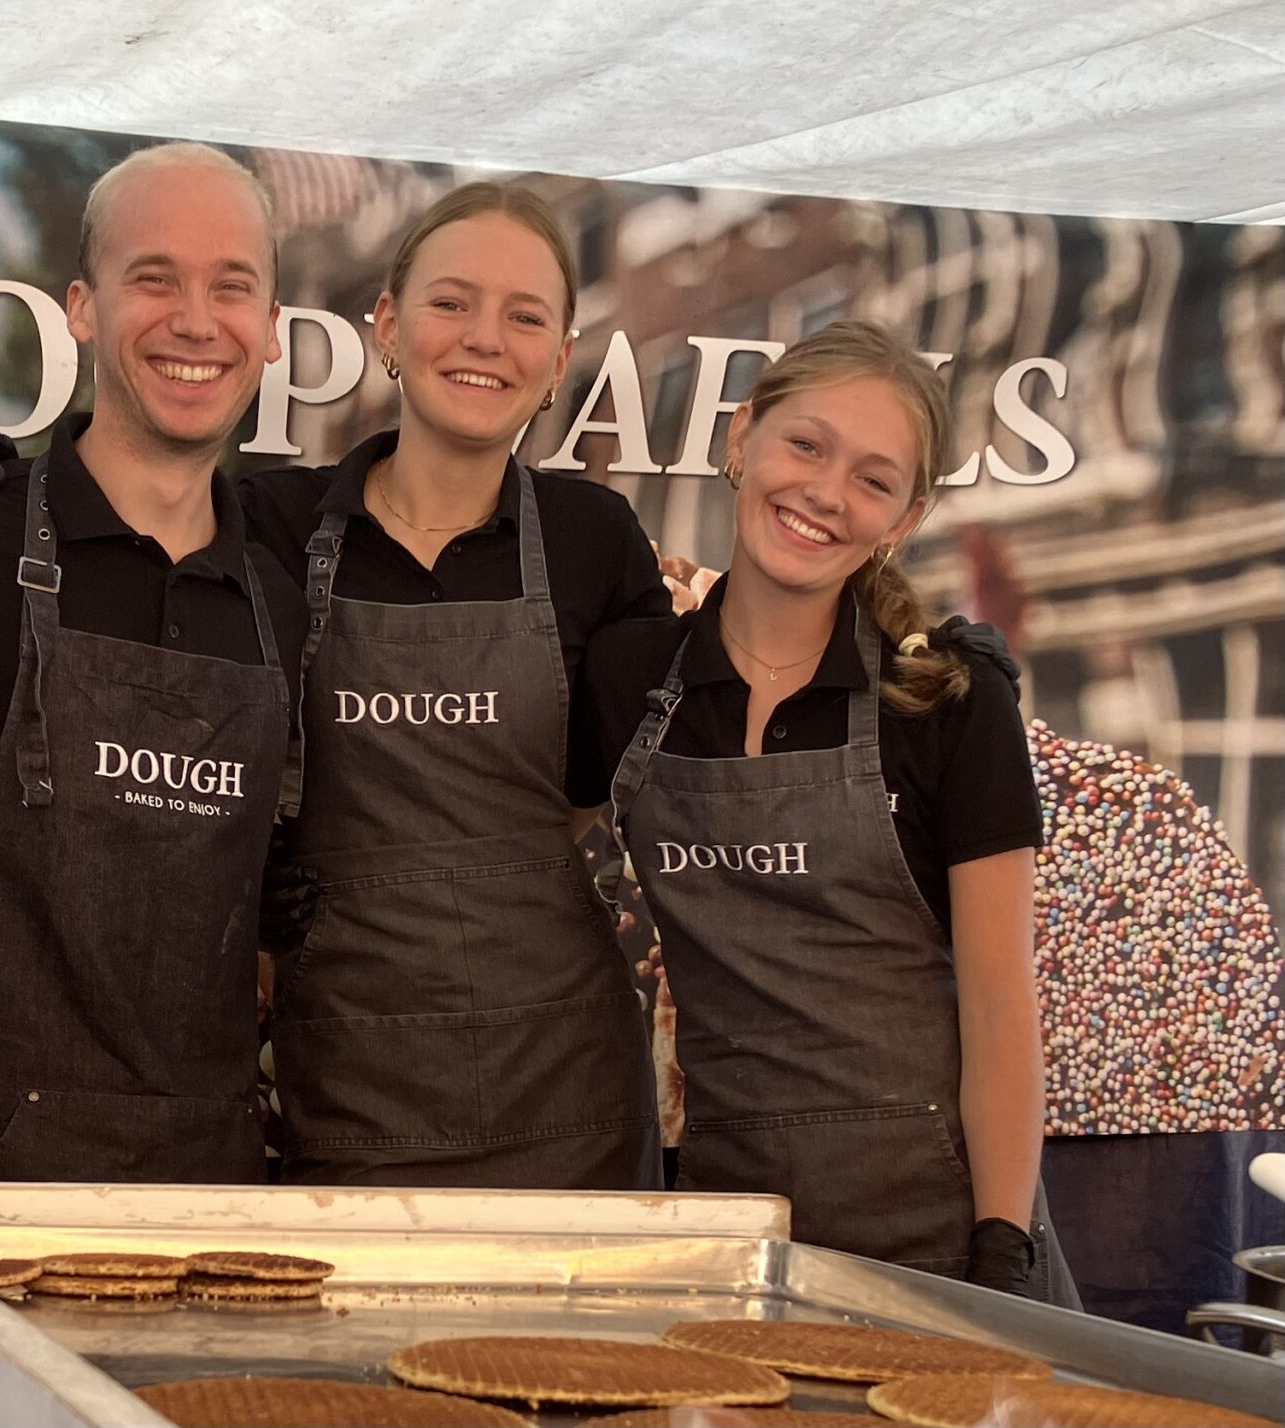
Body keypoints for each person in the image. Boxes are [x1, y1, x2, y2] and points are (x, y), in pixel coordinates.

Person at [0, 142, 308, 1183]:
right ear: (80, 307)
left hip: (211, 1211)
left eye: (231, 287)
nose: (194, 320)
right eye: (154, 279)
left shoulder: (291, 598)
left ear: (270, 331)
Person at [591, 319, 1076, 1301]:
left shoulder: (947, 698)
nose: (822, 493)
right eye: (804, 445)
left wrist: (996, 1248)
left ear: (903, 517)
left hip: (939, 1236)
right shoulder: (629, 677)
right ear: (740, 440)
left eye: (871, 477)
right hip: (735, 1238)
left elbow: (996, 1006)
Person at [236, 183, 668, 1186]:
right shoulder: (268, 524)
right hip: (347, 1080)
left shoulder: (594, 541)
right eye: (449, 303)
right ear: (386, 326)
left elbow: (630, 779)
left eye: (524, 317)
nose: (484, 338)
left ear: (558, 361)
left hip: (568, 1097)